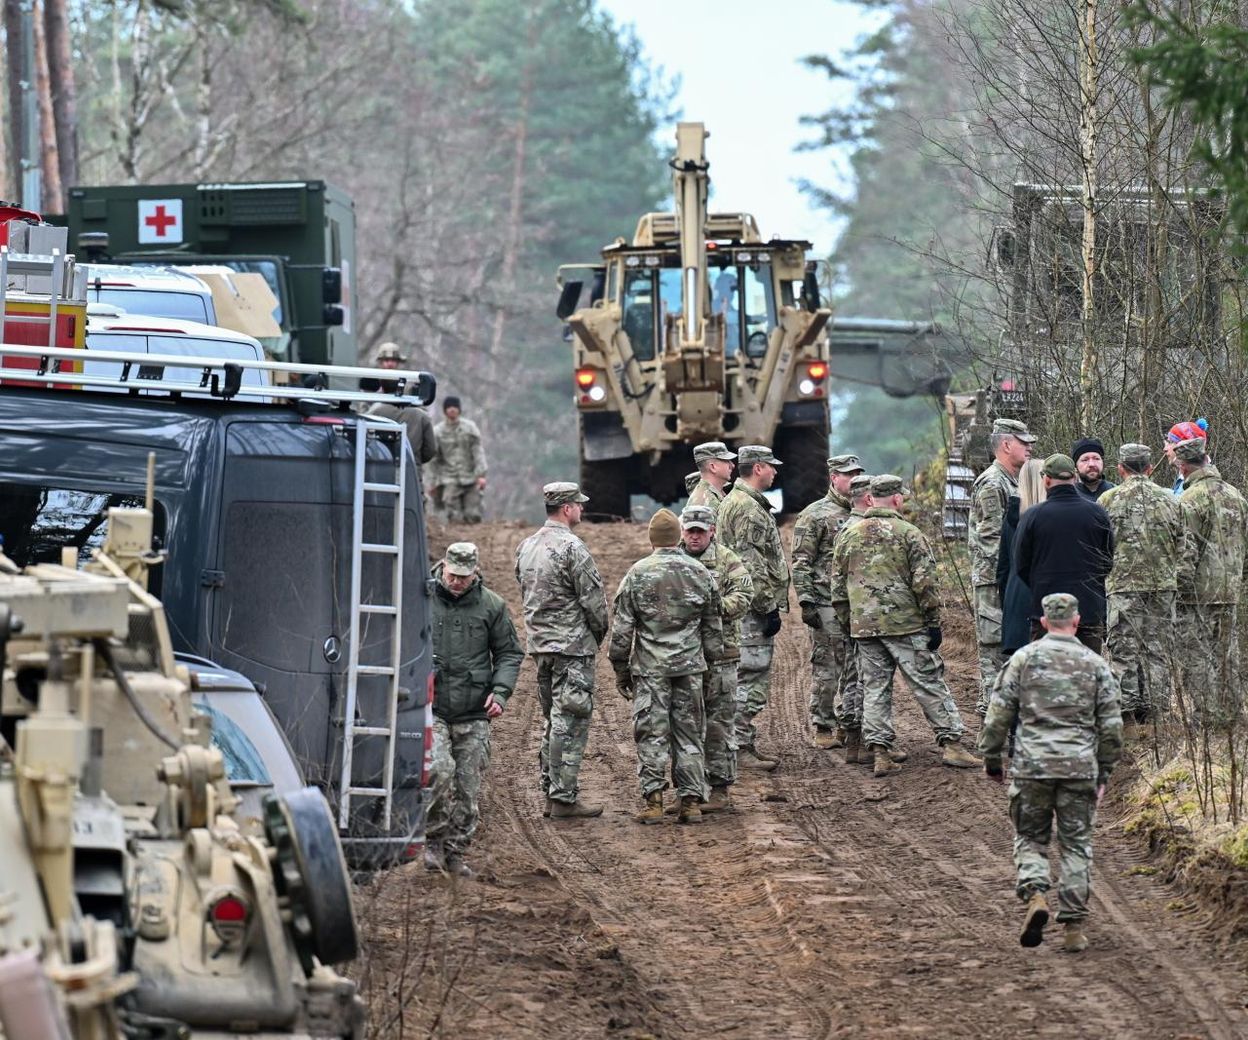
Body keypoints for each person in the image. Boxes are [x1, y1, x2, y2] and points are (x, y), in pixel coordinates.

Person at [978, 593, 1123, 953]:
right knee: (1076, 845)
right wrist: (1103, 773)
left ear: (1043, 622)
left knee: (1031, 838)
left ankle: (1036, 894)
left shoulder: (1023, 660)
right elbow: (1111, 727)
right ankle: (1073, 926)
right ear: (1076, 621)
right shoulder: (1094, 664)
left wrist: (992, 759)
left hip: (1031, 767)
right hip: (1079, 768)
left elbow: (997, 715)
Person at [830, 474, 980, 776]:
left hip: (865, 627)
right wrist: (933, 621)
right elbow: (925, 584)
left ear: (871, 498)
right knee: (928, 682)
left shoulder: (848, 535)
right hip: (906, 624)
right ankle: (951, 744)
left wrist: (850, 622)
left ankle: (880, 752)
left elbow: (837, 587)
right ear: (897, 498)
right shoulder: (909, 533)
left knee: (874, 688)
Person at [610, 509, 723, 825]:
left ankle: (654, 801)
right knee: (689, 734)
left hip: (651, 670)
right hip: (690, 668)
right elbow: (713, 625)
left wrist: (620, 668)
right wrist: (711, 664)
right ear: (678, 536)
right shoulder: (699, 572)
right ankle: (690, 802)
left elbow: (622, 630)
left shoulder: (638, 573)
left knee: (651, 733)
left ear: (651, 538)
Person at [426, 542, 523, 877]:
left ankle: (455, 853)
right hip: (432, 706)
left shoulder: (491, 606)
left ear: (474, 574)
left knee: (468, 790)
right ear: (443, 568)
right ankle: (433, 840)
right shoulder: (421, 600)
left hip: (473, 710)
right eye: (452, 575)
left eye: (464, 578)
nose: (457, 582)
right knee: (438, 771)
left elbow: (510, 653)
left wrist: (500, 692)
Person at [514, 482, 609, 819]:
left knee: (552, 719)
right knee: (570, 720)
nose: (581, 510)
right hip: (572, 648)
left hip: (541, 646)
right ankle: (563, 797)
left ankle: (550, 791)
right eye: (578, 505)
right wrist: (597, 635)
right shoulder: (573, 548)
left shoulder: (526, 546)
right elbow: (594, 603)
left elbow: (524, 589)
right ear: (567, 508)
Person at [715, 444, 790, 768]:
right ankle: (737, 747)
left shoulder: (739, 501)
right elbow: (751, 565)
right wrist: (767, 606)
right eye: (771, 466)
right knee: (751, 678)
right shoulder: (747, 507)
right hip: (749, 612)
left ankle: (737, 745)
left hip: (741, 607)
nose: (775, 471)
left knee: (744, 677)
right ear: (758, 468)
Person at [1098, 444, 1185, 723]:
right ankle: (1157, 712)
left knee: (1124, 651)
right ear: (1149, 468)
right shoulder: (1171, 499)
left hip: (1123, 585)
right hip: (1162, 586)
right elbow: (1184, 544)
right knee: (1157, 650)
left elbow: (1098, 546)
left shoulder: (1107, 500)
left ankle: (1128, 715)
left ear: (1120, 468)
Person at [680, 504, 752, 812]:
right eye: (689, 531)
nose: (694, 537)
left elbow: (745, 595)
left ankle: (720, 788)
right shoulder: (674, 559)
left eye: (700, 531)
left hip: (721, 655)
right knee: (685, 725)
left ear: (712, 531)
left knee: (719, 723)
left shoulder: (727, 560)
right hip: (683, 656)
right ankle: (689, 792)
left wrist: (712, 606)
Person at [792, 452, 865, 749]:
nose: (855, 479)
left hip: (858, 605)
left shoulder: (863, 511)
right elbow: (800, 561)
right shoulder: (815, 514)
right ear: (835, 478)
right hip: (826, 604)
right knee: (827, 667)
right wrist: (806, 601)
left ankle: (851, 725)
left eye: (858, 473)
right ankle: (823, 724)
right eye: (849, 474)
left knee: (857, 668)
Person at [1174, 437, 1248, 726]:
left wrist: (1178, 590)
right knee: (1227, 654)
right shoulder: (1237, 496)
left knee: (1196, 656)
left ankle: (1206, 717)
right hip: (1229, 589)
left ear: (1182, 466)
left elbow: (1186, 550)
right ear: (1206, 459)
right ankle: (1232, 714)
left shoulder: (1190, 500)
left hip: (1197, 593)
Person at [969, 418, 1036, 715]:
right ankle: (992, 715)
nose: (1030, 446)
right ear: (1006, 444)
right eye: (1024, 442)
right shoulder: (993, 483)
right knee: (995, 648)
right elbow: (992, 539)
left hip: (1010, 578)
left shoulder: (1014, 481)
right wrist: (1008, 579)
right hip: (995, 580)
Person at [1014, 454, 1114, 653]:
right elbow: (1107, 561)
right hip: (1088, 611)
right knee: (1086, 676)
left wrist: (1041, 585)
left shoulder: (1032, 516)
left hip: (1047, 613)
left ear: (1046, 480)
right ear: (1074, 478)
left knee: (1046, 676)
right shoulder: (1097, 513)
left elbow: (1021, 565)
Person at [832, 472, 872, 764]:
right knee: (863, 679)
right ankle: (862, 739)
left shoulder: (847, 527)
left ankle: (854, 740)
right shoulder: (859, 529)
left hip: (854, 615)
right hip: (864, 617)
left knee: (855, 677)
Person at [998, 459, 1045, 655]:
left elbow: (1003, 567)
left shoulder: (1011, 517)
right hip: (1044, 605)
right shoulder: (1048, 518)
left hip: (1015, 603)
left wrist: (1007, 605)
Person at [364, 342, 437, 467]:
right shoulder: (369, 387)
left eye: (393, 360)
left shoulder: (411, 389)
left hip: (408, 459)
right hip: (376, 460)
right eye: (386, 360)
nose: (390, 364)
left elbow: (422, 421)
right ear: (380, 363)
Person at [430, 396, 488, 524]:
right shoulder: (438, 432)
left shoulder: (470, 428)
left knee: (473, 514)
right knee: (453, 516)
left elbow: (478, 452)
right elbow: (434, 459)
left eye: (455, 407)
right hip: (449, 478)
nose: (452, 410)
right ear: (445, 410)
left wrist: (481, 474)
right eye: (449, 407)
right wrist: (433, 482)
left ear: (459, 409)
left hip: (470, 477)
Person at [687, 441, 736, 511]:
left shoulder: (711, 496)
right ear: (713, 467)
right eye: (726, 461)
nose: (732, 465)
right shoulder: (705, 502)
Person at [1163, 418, 1208, 495]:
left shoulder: (1200, 485)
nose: (1165, 449)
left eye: (1171, 442)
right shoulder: (1184, 476)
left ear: (1185, 447)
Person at [1071, 437, 1115, 501]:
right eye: (1085, 460)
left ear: (1103, 462)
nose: (1091, 464)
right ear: (1076, 465)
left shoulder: (1117, 493)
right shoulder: (1069, 496)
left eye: (1096, 458)